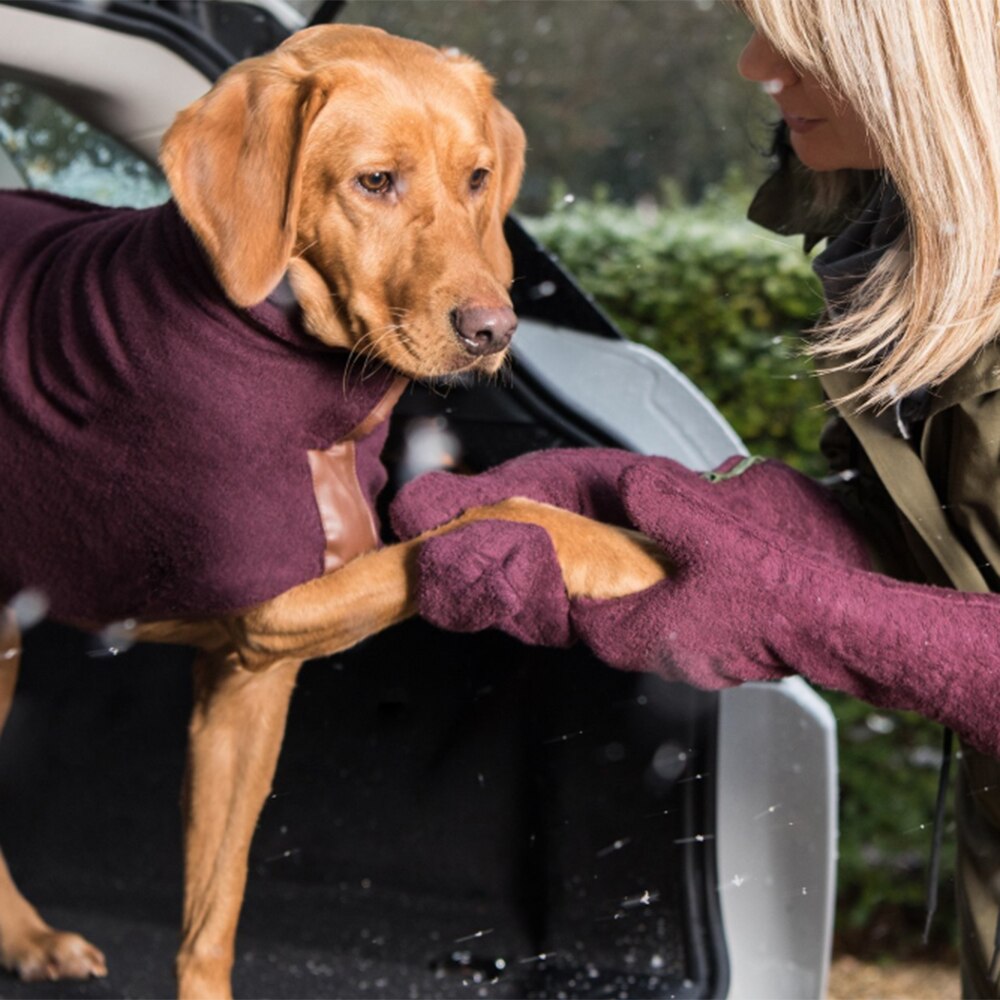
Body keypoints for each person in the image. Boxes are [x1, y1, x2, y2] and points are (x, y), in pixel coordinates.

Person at [389, 1, 1000, 994]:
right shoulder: (913, 233)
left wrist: (801, 615)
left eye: (800, 41)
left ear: (926, 46)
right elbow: (953, 551)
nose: (755, 65)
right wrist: (650, 500)